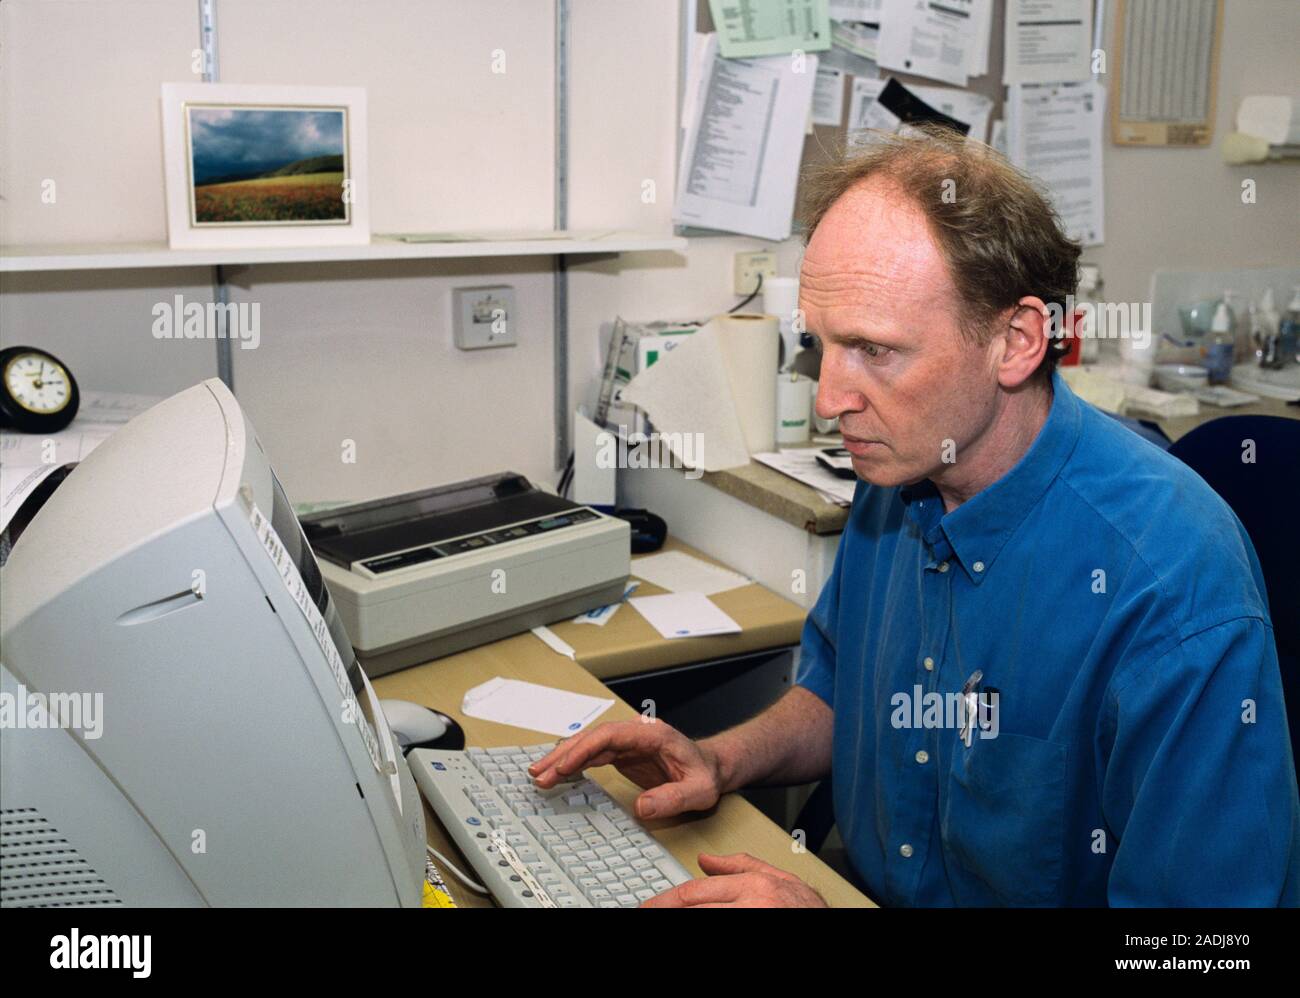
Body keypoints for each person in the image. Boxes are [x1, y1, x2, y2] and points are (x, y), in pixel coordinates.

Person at [531, 129, 1300, 907]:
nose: (831, 399)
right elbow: (841, 700)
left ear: (1017, 341)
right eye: (821, 346)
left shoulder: (1171, 581)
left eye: (875, 349)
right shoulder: (899, 465)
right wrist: (717, 760)